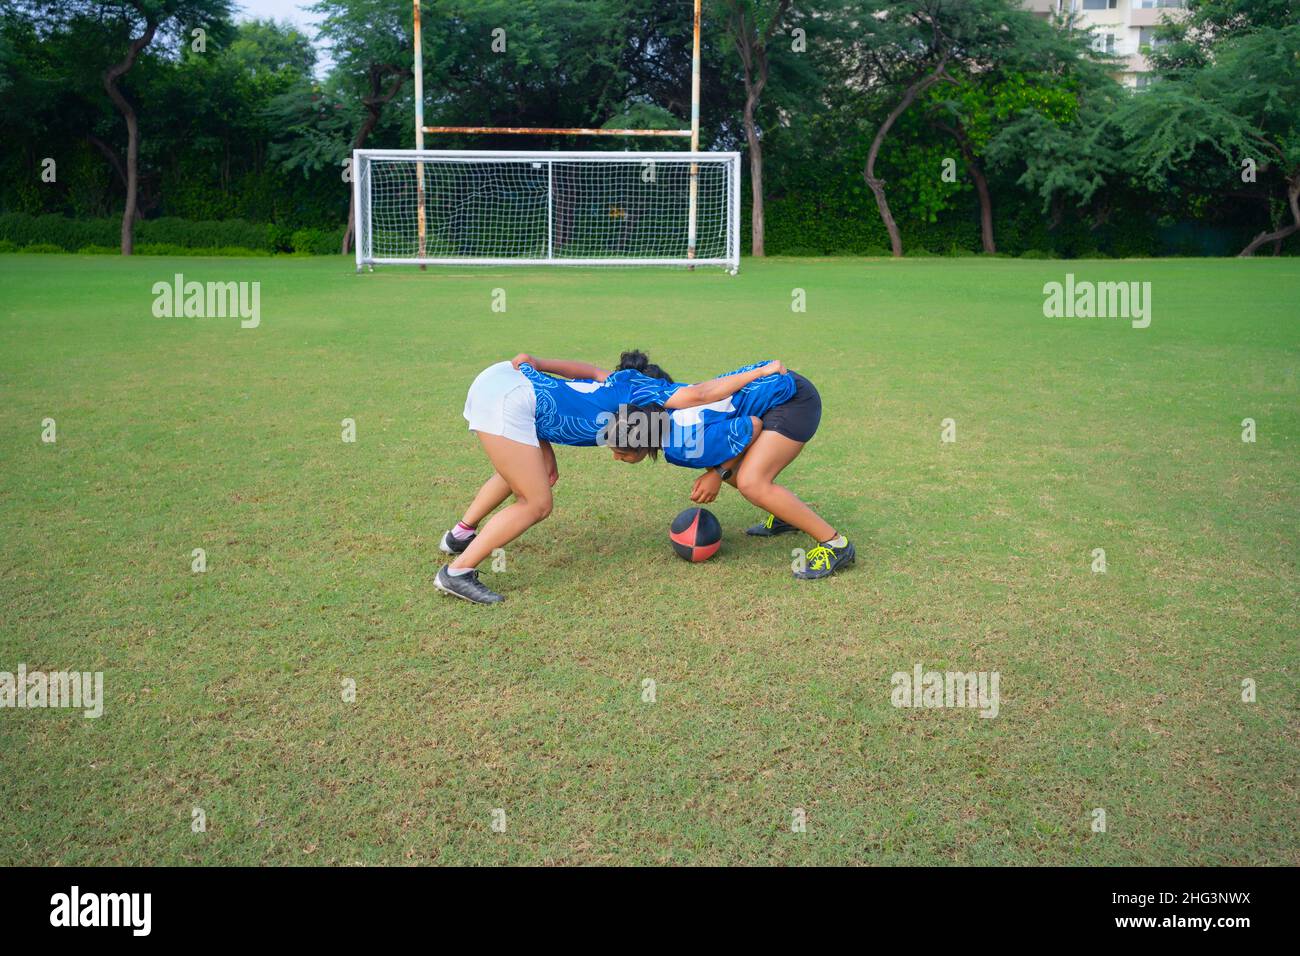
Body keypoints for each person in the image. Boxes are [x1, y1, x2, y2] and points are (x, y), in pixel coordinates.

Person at [436, 351, 787, 604]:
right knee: (536, 503)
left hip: (504, 382)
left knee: (536, 474)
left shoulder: (620, 384)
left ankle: (460, 535)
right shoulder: (645, 391)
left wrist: (539, 364)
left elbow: (586, 371)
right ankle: (458, 573)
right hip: (511, 398)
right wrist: (761, 371)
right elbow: (699, 393)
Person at [606, 361, 853, 581]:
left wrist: (718, 474)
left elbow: (753, 426)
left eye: (623, 453)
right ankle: (786, 517)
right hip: (777, 391)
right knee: (723, 464)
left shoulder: (681, 444)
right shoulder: (662, 408)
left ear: (645, 442)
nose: (617, 457)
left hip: (794, 401)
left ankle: (836, 545)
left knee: (751, 482)